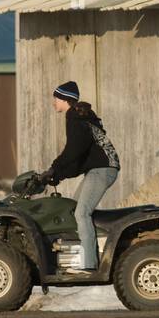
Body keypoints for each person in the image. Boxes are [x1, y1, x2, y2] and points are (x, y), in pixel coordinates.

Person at [43, 81, 120, 273]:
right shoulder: (80, 117)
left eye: (56, 98)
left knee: (81, 213)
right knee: (73, 209)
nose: (53, 102)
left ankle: (89, 264)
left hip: (103, 169)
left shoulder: (75, 118)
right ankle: (77, 257)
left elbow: (73, 151)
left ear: (65, 99)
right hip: (98, 168)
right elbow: (80, 158)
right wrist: (58, 175)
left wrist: (54, 168)